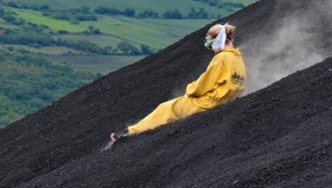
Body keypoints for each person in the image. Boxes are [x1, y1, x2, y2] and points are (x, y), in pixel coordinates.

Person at [105, 22, 245, 149]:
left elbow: (203, 85)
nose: (210, 46)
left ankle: (129, 134)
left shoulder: (221, 58)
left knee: (166, 108)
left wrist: (190, 89)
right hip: (226, 100)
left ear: (217, 40)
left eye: (209, 42)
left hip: (209, 102)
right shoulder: (236, 58)